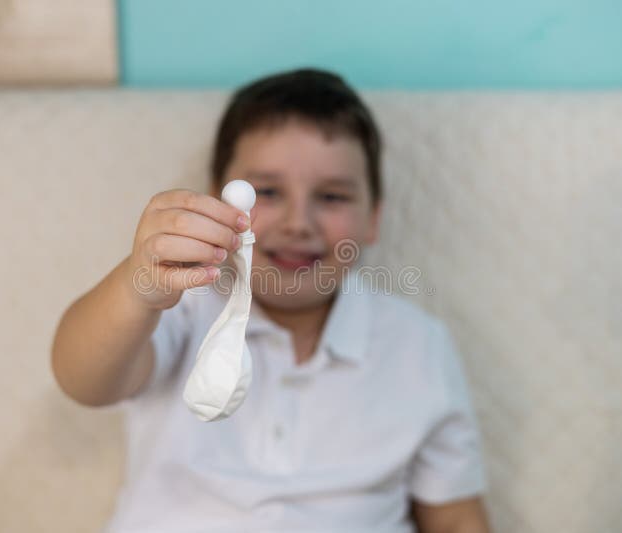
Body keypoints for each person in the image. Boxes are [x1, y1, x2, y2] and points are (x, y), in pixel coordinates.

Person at [51, 68, 491, 533]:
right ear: (216, 206)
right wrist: (137, 286)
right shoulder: (182, 305)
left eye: (332, 196)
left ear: (372, 220)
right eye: (267, 192)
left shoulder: (416, 346)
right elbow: (83, 379)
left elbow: (457, 517)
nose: (298, 222)